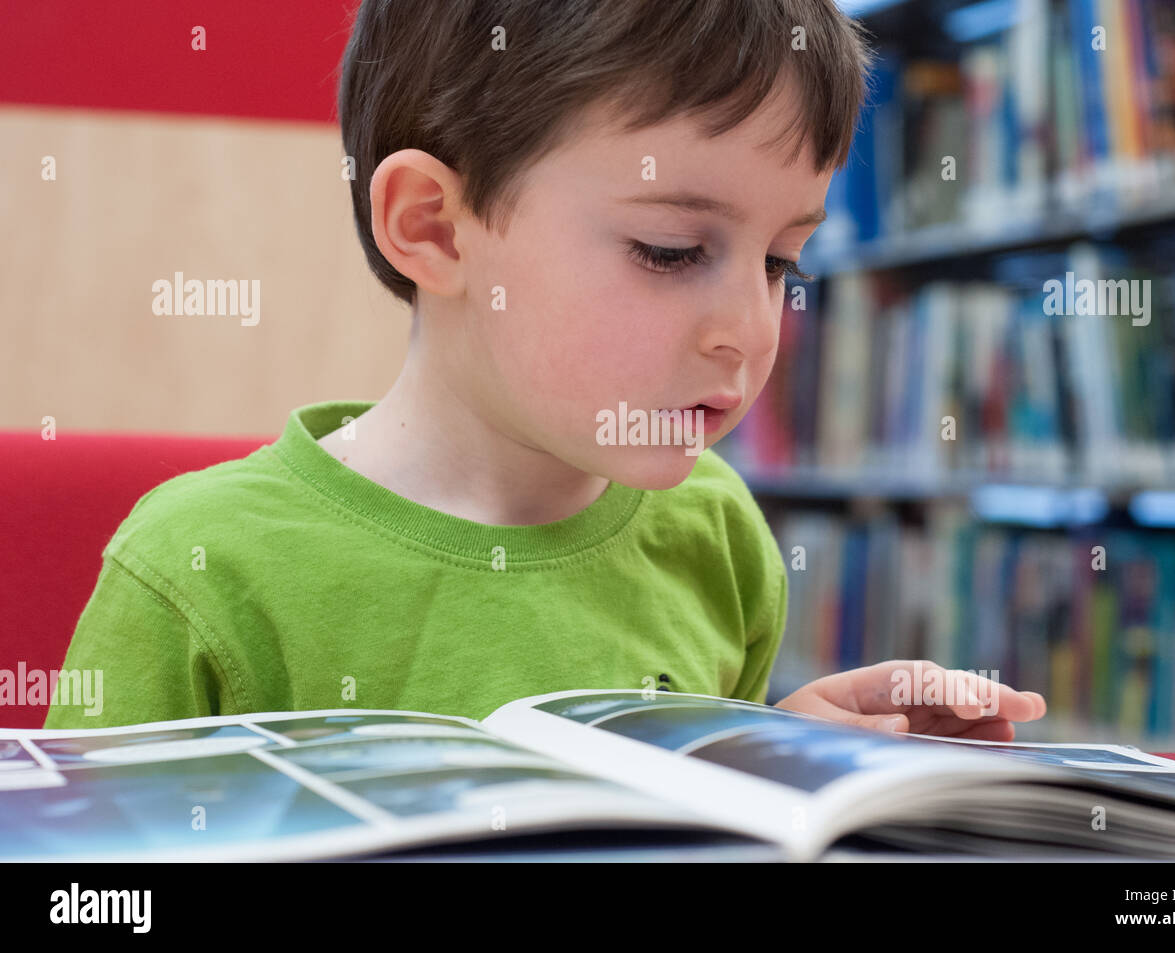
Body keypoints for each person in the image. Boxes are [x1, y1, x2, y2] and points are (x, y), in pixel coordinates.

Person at [47, 0, 1045, 738]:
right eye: (669, 250)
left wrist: (787, 751)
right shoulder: (202, 567)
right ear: (435, 227)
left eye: (781, 260)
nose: (750, 325)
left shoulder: (718, 532)